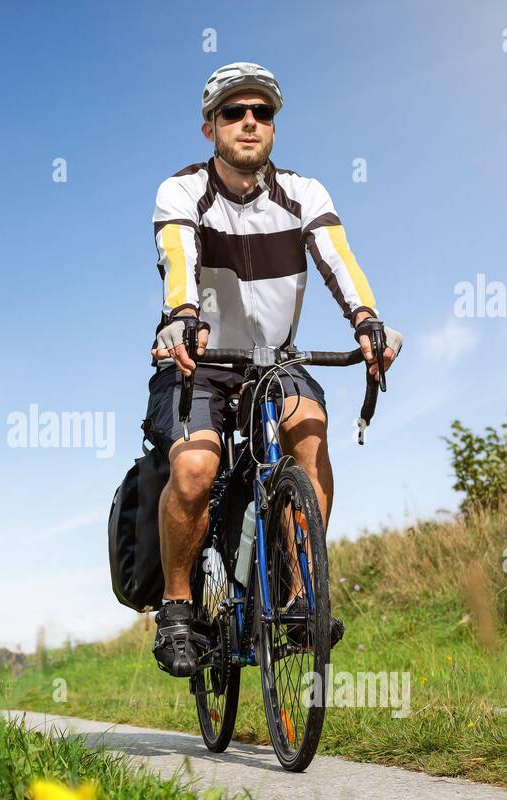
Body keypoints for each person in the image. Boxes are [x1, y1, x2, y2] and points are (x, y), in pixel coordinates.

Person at [146, 62, 400, 677]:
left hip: (276, 363)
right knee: (197, 468)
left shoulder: (305, 194)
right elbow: (177, 258)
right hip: (200, 361)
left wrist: (367, 321)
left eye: (263, 113)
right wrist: (181, 316)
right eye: (234, 113)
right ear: (210, 128)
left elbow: (339, 260)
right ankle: (178, 607)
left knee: (310, 430)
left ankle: (297, 594)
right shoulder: (181, 192)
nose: (250, 122)